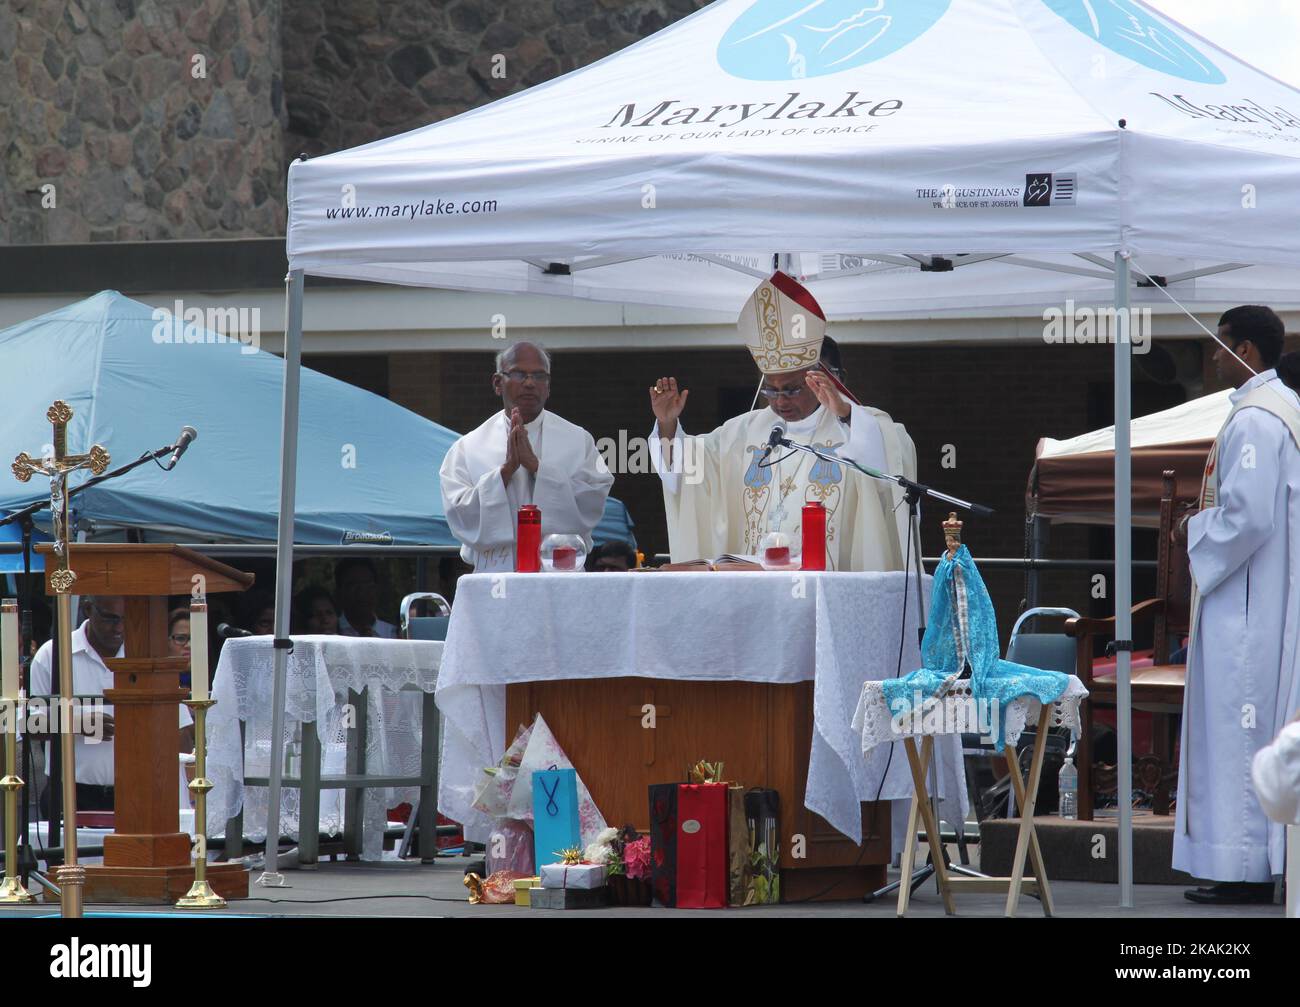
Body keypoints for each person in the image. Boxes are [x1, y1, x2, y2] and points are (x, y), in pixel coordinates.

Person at [650, 271, 916, 570]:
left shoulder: (861, 425)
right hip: (759, 589)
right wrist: (668, 426)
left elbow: (885, 471)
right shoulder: (741, 431)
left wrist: (843, 412)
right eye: (770, 390)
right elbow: (688, 471)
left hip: (830, 582)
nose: (780, 400)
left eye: (791, 389)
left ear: (819, 381)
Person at [1172, 305, 1300, 904]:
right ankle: (1249, 863)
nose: (1212, 356)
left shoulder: (1255, 420)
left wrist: (1192, 531)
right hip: (1265, 597)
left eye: (1218, 346)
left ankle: (1242, 867)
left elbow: (1249, 516)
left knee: (1238, 729)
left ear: (1246, 351)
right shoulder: (1283, 410)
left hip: (1247, 608)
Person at [439, 341, 614, 572]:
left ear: (549, 386)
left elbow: (592, 502)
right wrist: (504, 473)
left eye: (540, 376)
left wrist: (538, 469)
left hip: (559, 572)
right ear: (497, 383)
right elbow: (458, 514)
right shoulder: (467, 447)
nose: (530, 383)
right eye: (520, 374)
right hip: (495, 575)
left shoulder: (578, 441)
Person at [30, 596, 191, 813]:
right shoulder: (53, 654)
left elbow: (179, 732)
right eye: (111, 618)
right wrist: (76, 724)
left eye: (126, 619)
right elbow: (30, 724)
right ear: (88, 609)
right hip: (72, 794)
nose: (120, 628)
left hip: (138, 794)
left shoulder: (145, 654)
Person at [335, 557, 396, 637]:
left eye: (367, 584)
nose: (361, 592)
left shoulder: (392, 634)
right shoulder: (330, 631)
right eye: (353, 585)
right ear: (340, 591)